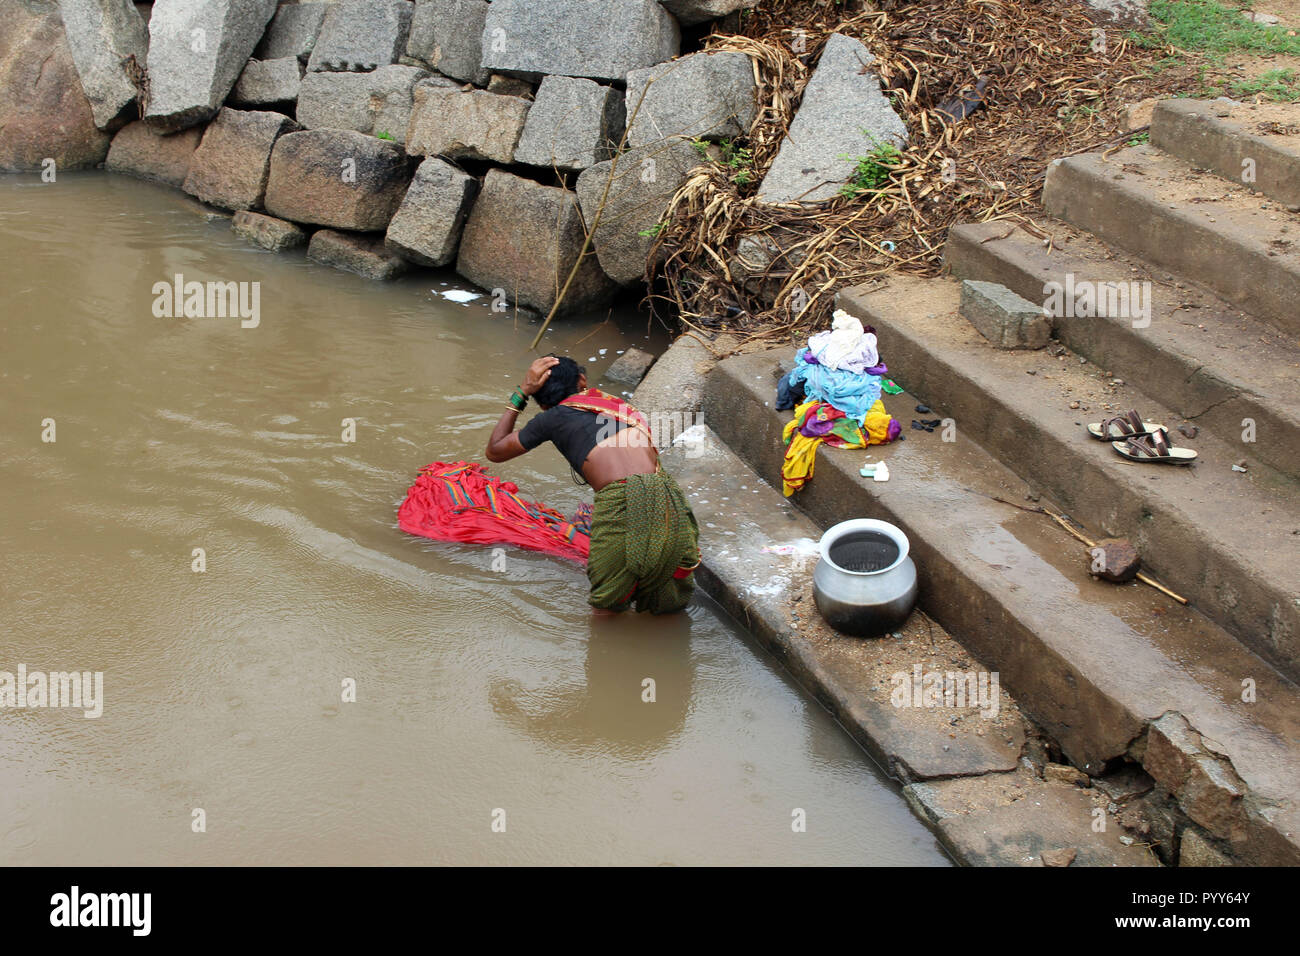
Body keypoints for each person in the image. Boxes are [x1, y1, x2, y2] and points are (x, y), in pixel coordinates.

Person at [485, 355, 699, 615]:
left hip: (620, 507)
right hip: (670, 504)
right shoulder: (616, 406)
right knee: (668, 605)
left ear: (541, 404)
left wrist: (521, 392)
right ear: (582, 381)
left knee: (606, 608)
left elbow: (495, 451)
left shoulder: (550, 419)